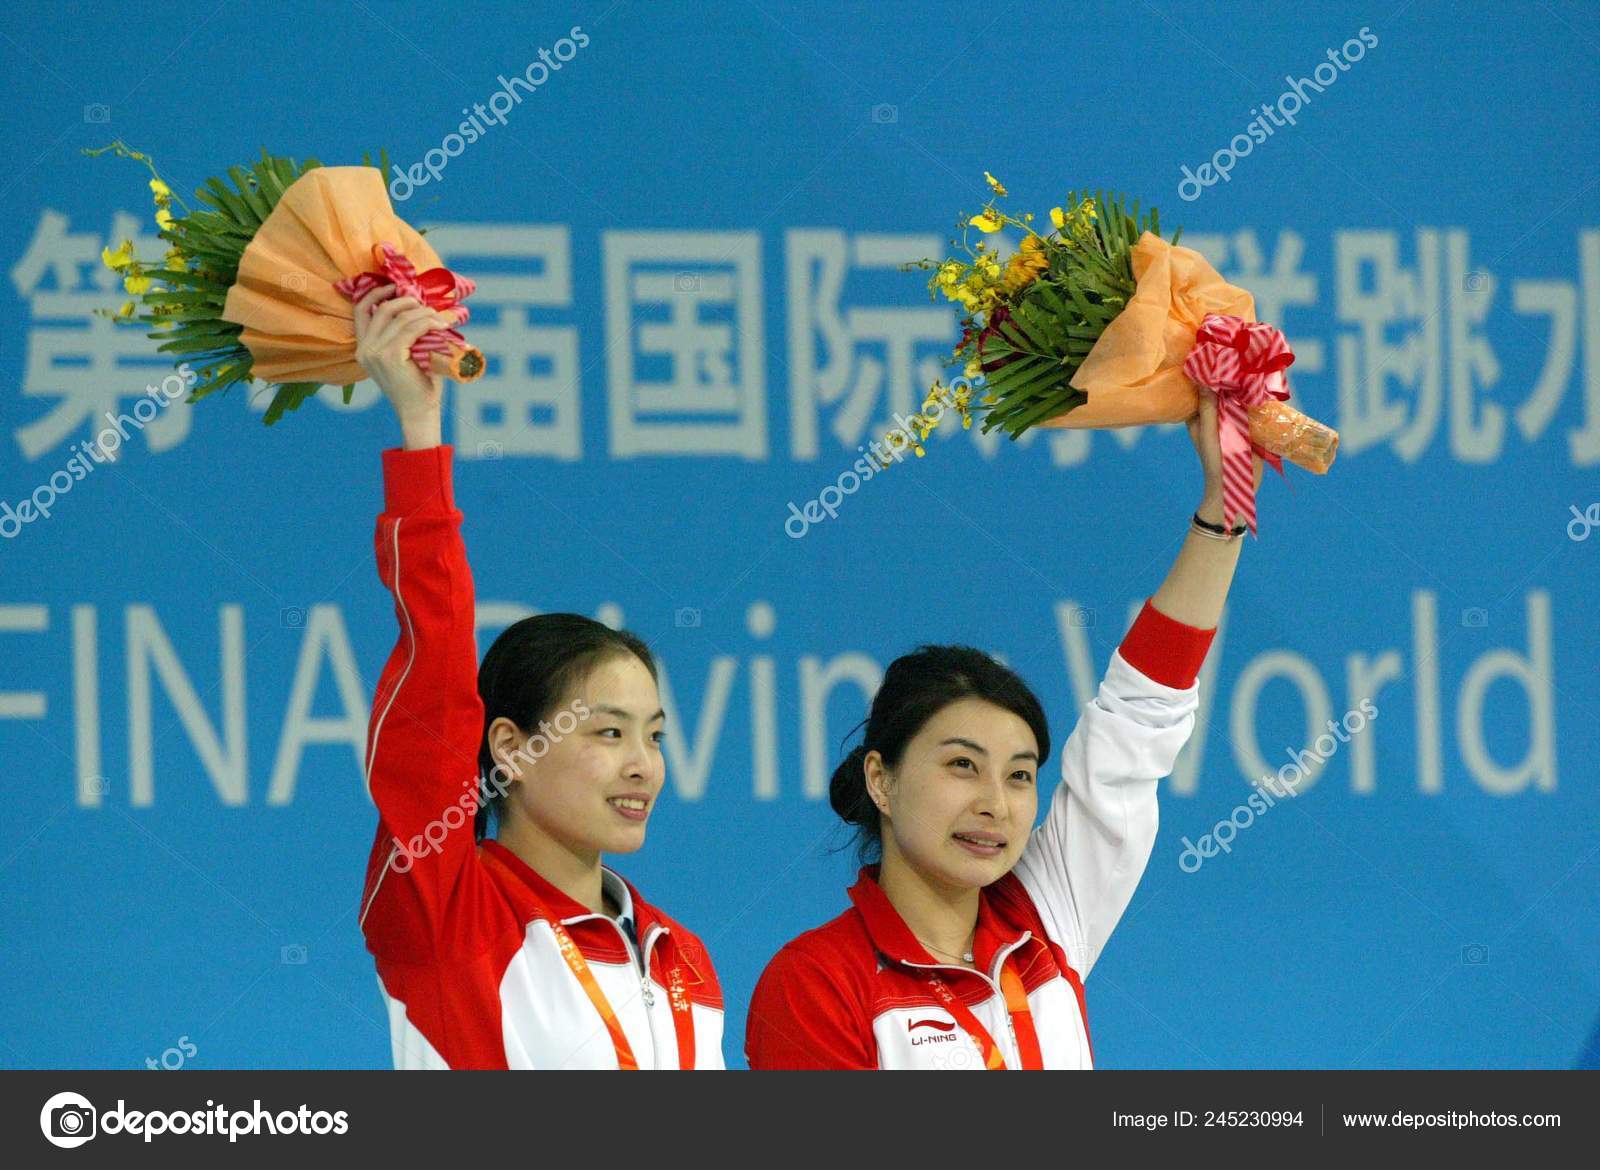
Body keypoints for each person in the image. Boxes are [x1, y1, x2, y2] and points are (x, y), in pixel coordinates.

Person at [745, 398, 1258, 1069]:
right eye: (962, 765)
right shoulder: (816, 980)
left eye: (1019, 775)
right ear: (882, 779)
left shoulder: (1044, 917)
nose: (996, 802)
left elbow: (1139, 718)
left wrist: (1227, 505)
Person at [352, 287, 723, 1069]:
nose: (642, 764)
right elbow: (435, 686)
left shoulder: (682, 956)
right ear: (511, 747)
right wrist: (422, 438)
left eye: (653, 735)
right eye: (608, 731)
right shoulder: (450, 916)